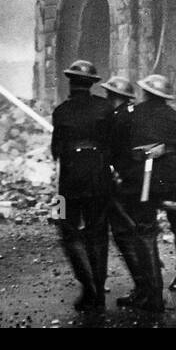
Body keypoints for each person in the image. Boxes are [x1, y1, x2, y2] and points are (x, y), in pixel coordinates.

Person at [110, 73, 176, 313]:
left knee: (144, 233)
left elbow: (117, 150)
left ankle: (153, 295)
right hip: (172, 183)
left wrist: (125, 173)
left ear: (144, 92)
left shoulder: (130, 114)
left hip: (140, 184)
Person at [49, 59, 112, 312]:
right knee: (98, 233)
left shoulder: (61, 112)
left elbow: (55, 152)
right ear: (92, 84)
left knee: (67, 229)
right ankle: (98, 289)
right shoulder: (105, 108)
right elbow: (112, 145)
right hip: (99, 180)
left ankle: (88, 287)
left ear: (71, 83)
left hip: (68, 184)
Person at [98, 74, 151, 308]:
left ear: (114, 96)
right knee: (138, 233)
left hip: (123, 183)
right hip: (140, 181)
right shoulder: (138, 114)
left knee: (124, 235)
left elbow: (110, 151)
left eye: (109, 94)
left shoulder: (116, 119)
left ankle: (143, 287)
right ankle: (148, 286)